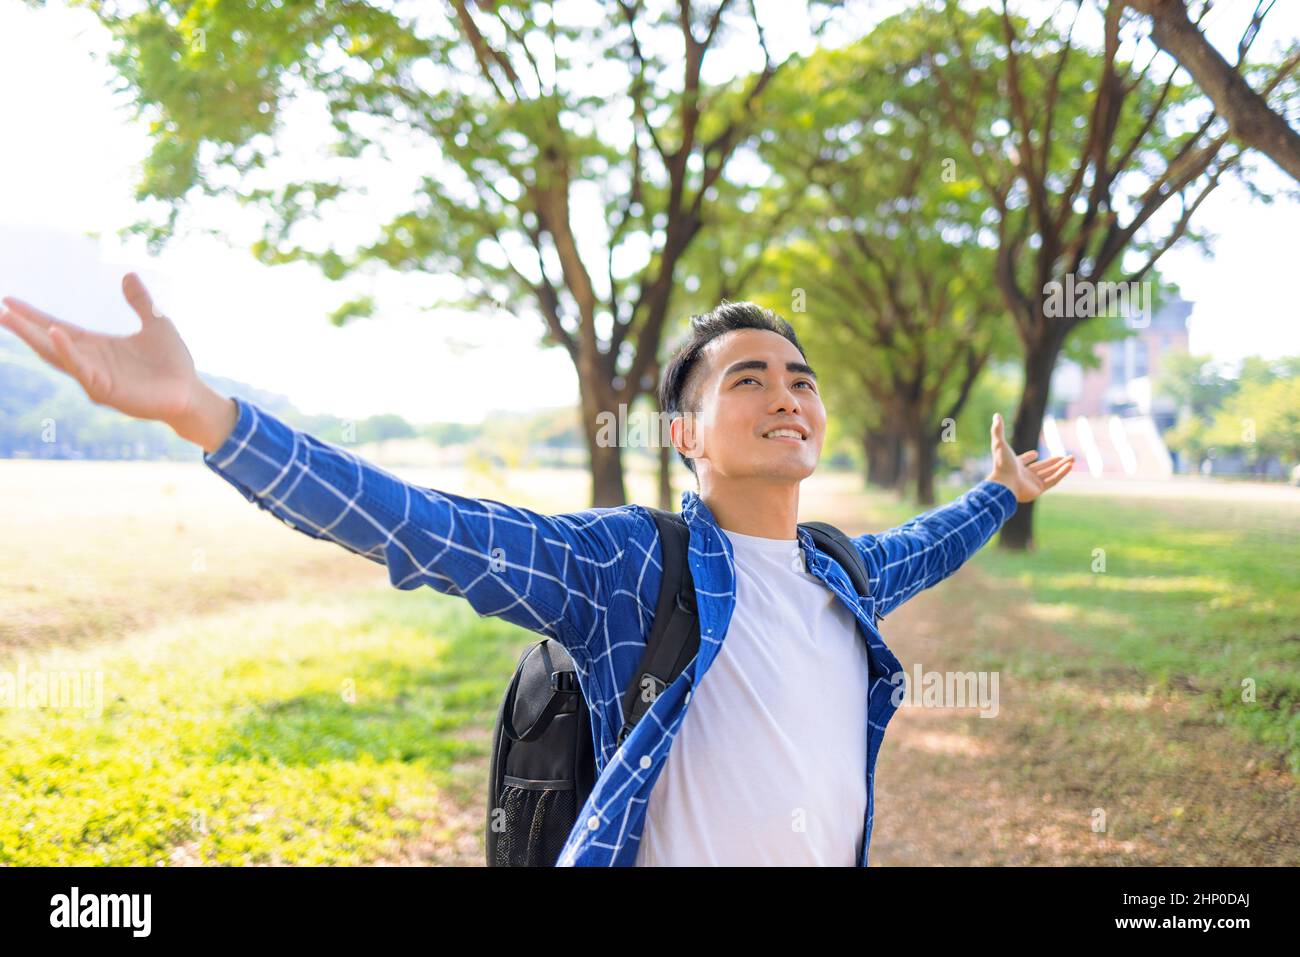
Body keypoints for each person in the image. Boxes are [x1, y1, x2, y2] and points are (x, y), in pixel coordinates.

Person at [0, 275, 1074, 866]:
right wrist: (207, 417)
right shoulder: (621, 566)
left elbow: (925, 547)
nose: (786, 393)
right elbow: (419, 527)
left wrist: (1001, 494)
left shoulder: (841, 572)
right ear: (686, 433)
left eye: (799, 377)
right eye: (747, 378)